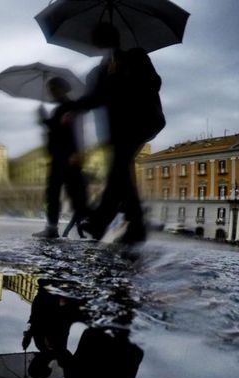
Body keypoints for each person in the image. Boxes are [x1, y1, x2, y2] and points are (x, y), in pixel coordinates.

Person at [59, 22, 165, 244]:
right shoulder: (99, 70)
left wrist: (123, 75)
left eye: (101, 40)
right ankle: (136, 226)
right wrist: (75, 110)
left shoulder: (136, 56)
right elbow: (93, 97)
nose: (98, 46)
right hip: (116, 130)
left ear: (112, 39)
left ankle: (101, 220)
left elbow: (154, 83)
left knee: (119, 167)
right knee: (121, 173)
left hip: (141, 121)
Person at [33, 77, 89, 239]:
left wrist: (78, 152)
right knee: (53, 193)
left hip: (68, 156)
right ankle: (51, 228)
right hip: (58, 157)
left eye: (54, 88)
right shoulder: (58, 110)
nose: (51, 92)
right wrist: (43, 118)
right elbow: (54, 128)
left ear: (63, 89)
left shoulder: (71, 107)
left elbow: (77, 130)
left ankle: (95, 223)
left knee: (75, 193)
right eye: (51, 89)